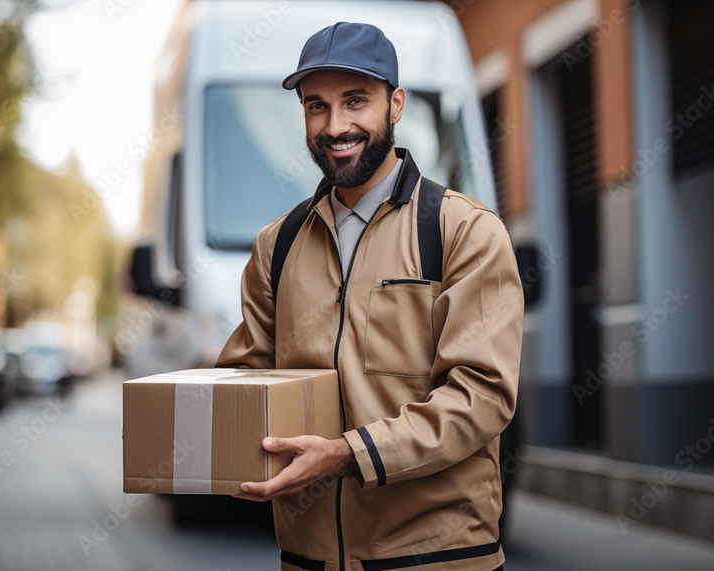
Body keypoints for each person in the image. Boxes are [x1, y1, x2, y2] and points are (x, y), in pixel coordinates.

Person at [215, 21, 523, 571]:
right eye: (317, 106)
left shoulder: (463, 231)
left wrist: (346, 455)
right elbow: (246, 382)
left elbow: (481, 396)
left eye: (356, 101)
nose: (336, 126)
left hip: (435, 558)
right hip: (309, 559)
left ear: (396, 104)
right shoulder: (276, 246)